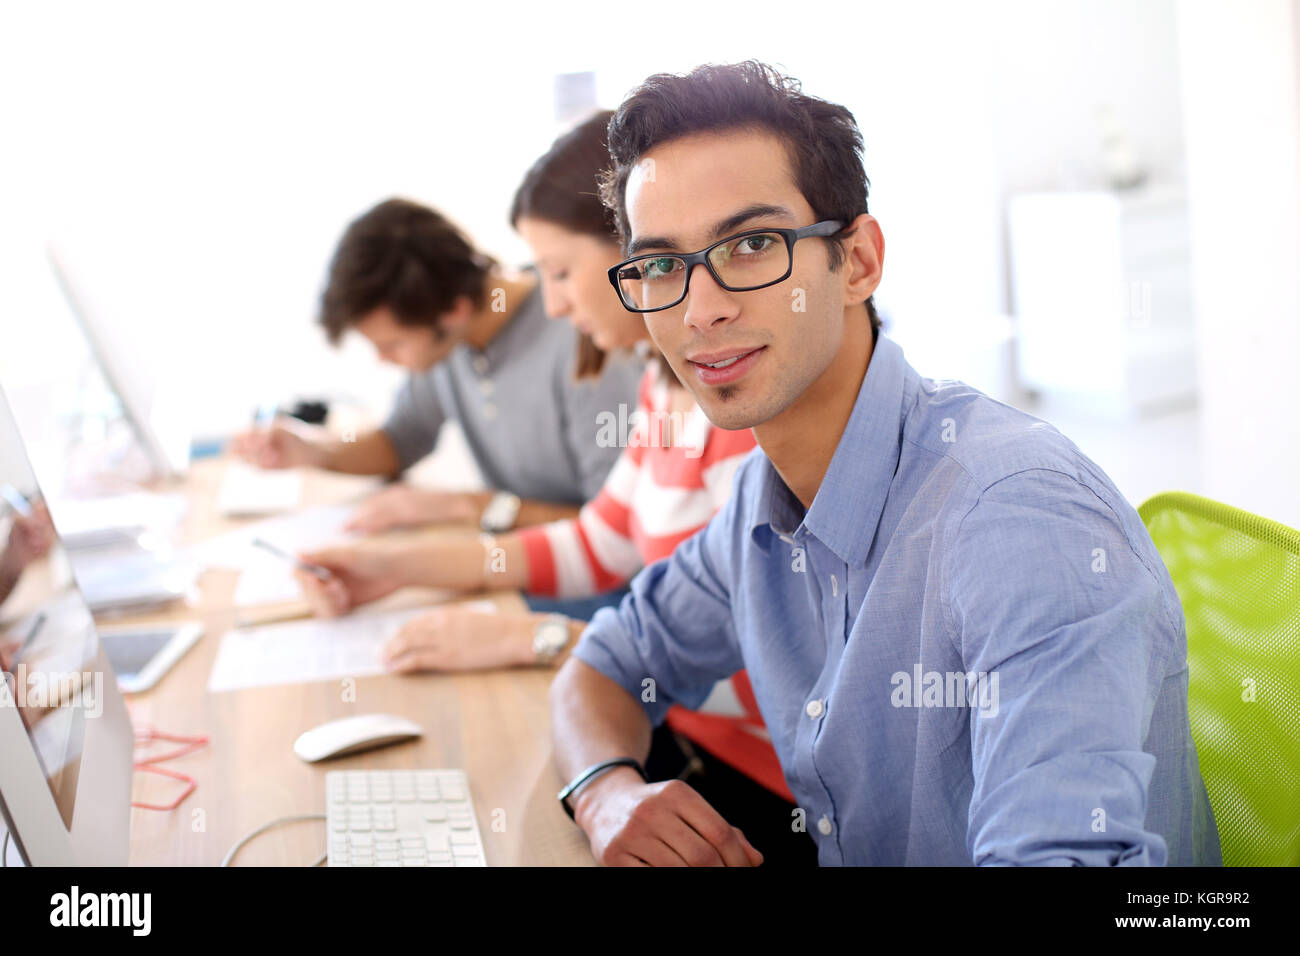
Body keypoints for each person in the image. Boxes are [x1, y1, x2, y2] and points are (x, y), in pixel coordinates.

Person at [547, 61, 1222, 867]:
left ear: (858, 262)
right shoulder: (762, 503)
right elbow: (604, 664)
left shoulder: (1017, 517)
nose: (702, 310)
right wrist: (605, 791)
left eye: (752, 244)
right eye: (661, 265)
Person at [293, 113, 817, 864]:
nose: (555, 304)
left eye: (561, 272)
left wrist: (528, 637)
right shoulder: (665, 391)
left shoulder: (750, 413)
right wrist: (390, 568)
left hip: (761, 791)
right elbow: (595, 542)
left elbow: (784, 676)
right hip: (681, 743)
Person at [230, 198, 643, 535]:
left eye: (392, 345)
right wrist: (313, 449)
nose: (383, 360)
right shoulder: (450, 344)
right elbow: (399, 441)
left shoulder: (588, 338)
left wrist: (463, 506)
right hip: (520, 561)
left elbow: (615, 529)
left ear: (454, 311)